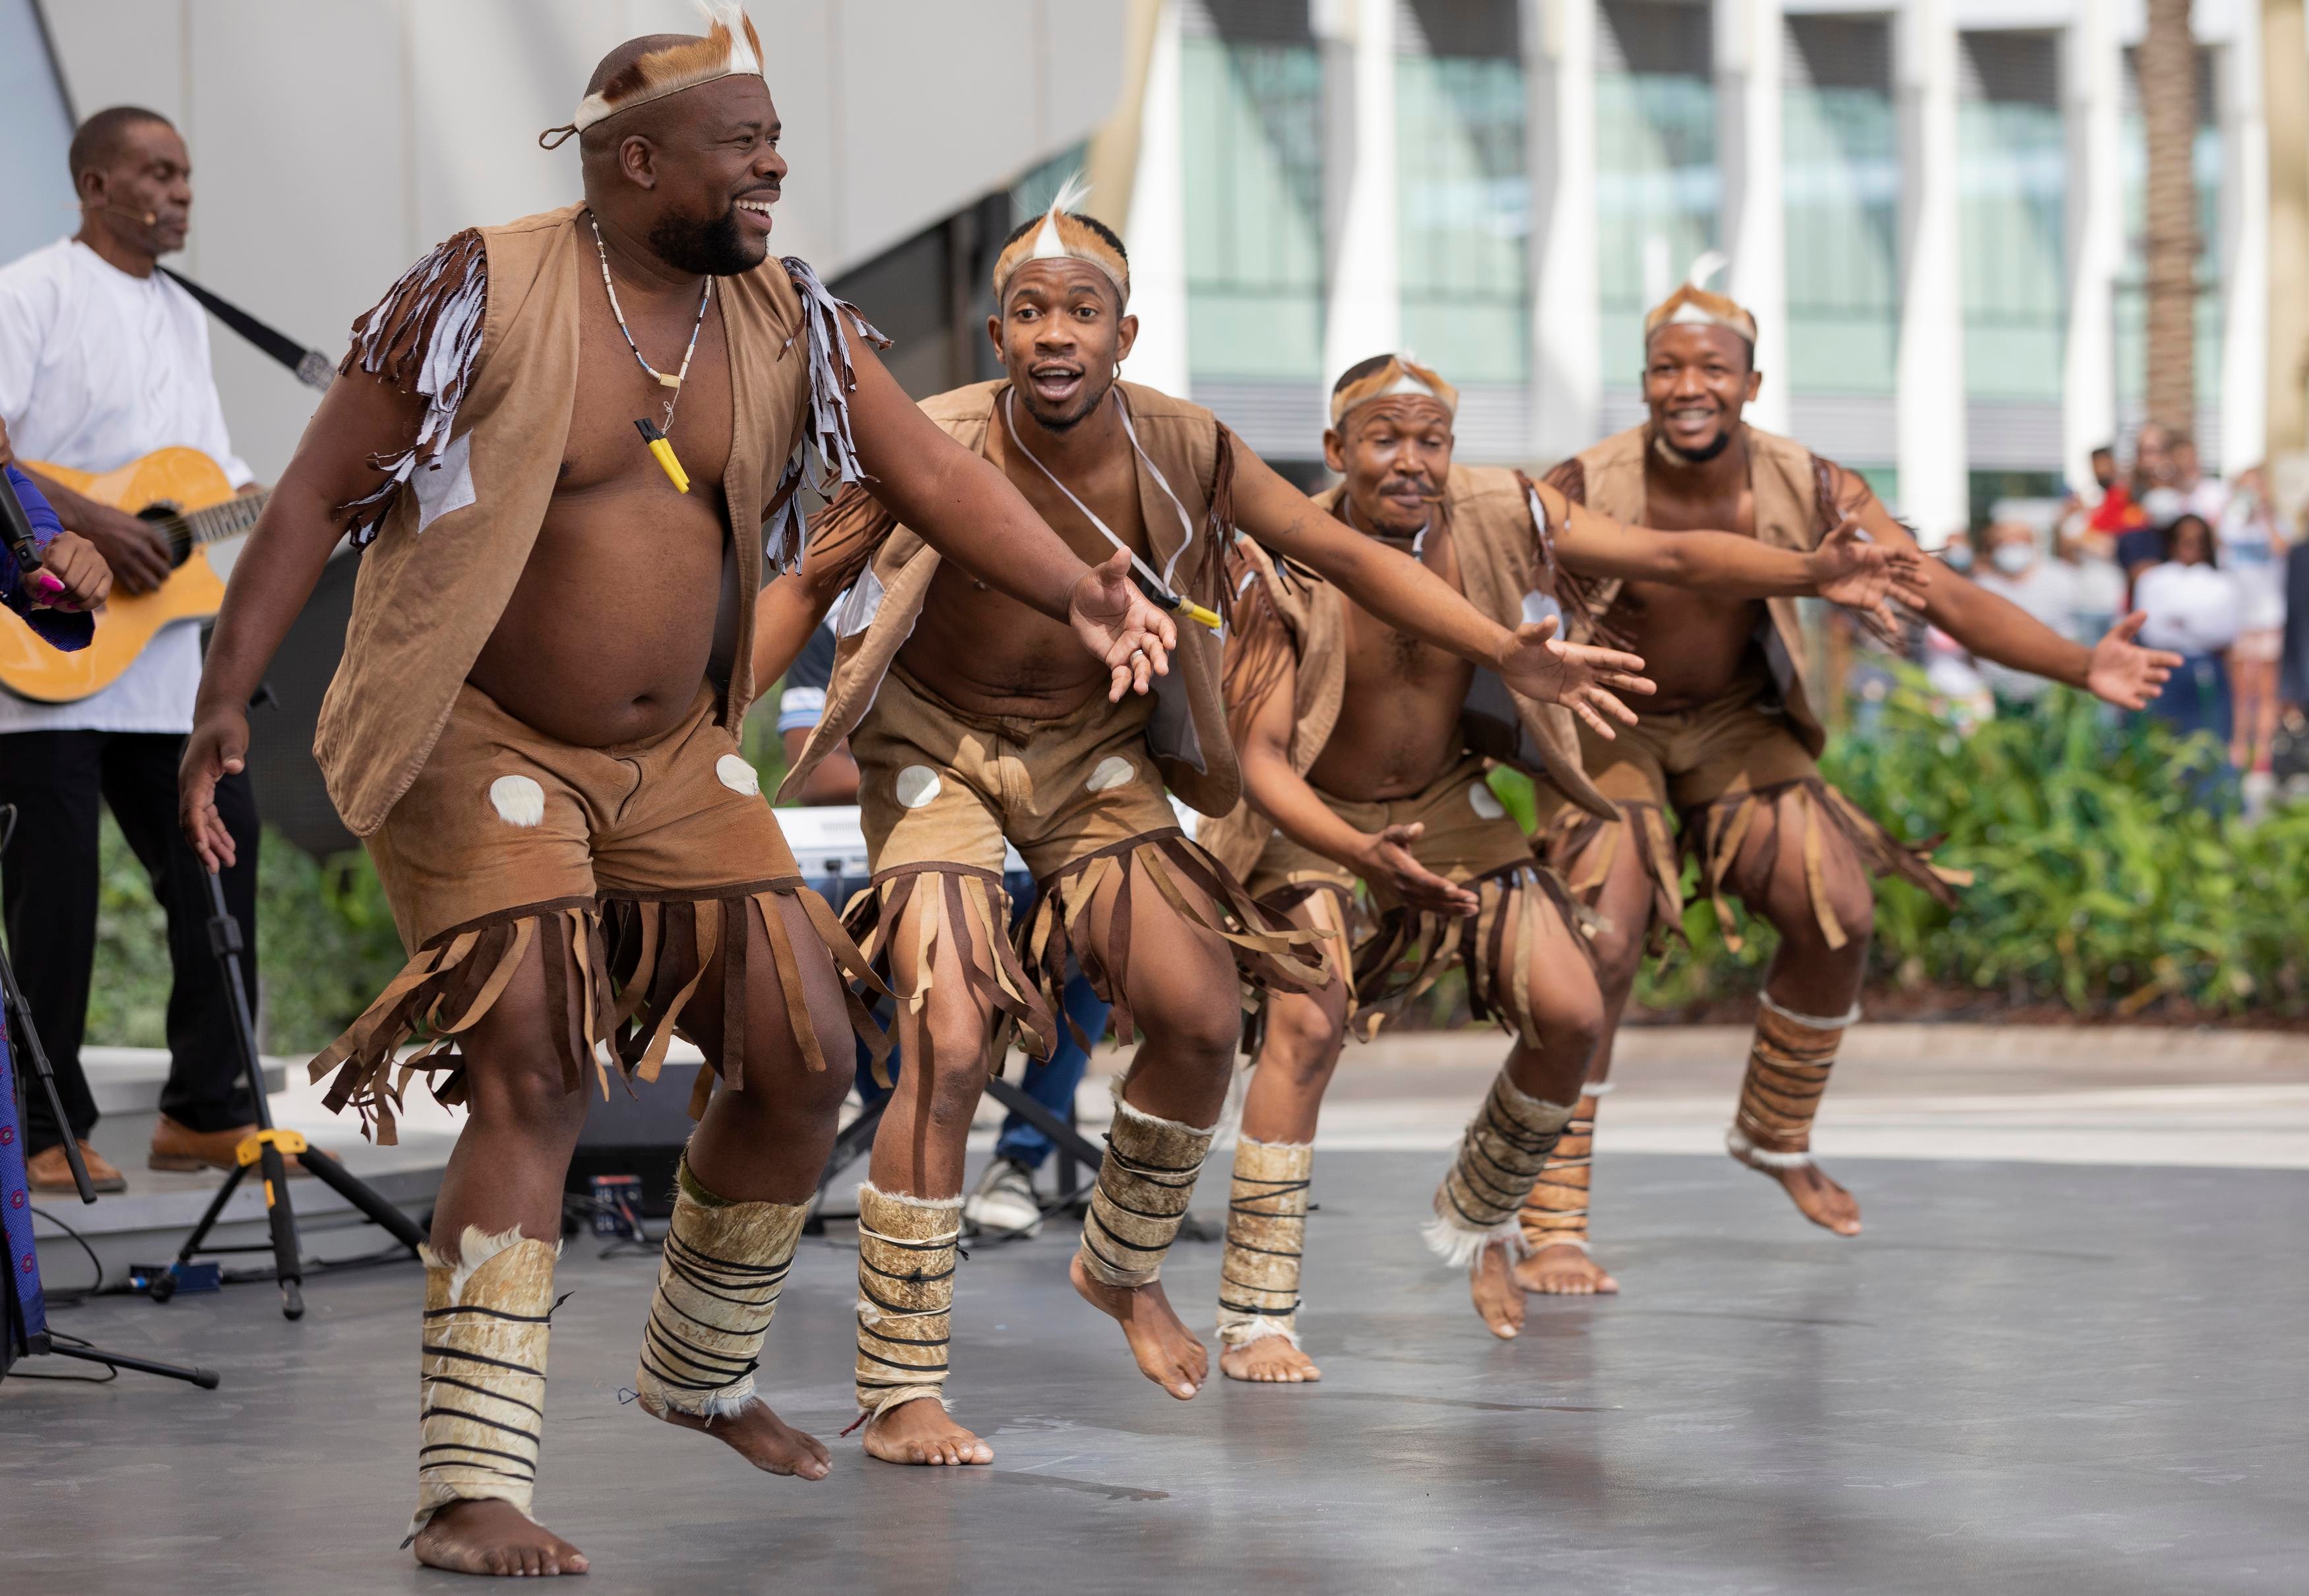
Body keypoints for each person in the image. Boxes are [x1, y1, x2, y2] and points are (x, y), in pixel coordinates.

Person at [176, 16, 1175, 1580]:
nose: (774, 166)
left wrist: (1085, 586)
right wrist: (224, 698)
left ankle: (699, 1368)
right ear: (637, 162)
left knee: (806, 1048)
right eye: (743, 144)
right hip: (476, 732)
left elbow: (930, 475)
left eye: (776, 140)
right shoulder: (485, 291)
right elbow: (309, 494)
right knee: (532, 1066)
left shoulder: (783, 313)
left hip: (674, 755)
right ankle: (467, 1487)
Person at [754, 186, 1651, 1467]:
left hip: (1090, 750)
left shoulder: (1190, 447)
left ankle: (1117, 1264)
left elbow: (1349, 557)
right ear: (998, 335)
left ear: (1123, 335)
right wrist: (699, 729)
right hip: (936, 749)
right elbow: (806, 582)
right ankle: (901, 1383)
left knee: (1197, 1013)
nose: (1054, 332)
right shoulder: (931, 436)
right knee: (948, 1039)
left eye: (1081, 311)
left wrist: (1502, 647)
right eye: (1029, 312)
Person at [1201, 354, 1922, 1370]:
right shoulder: (1279, 561)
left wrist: (1811, 572)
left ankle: (1479, 1211)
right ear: (1335, 449)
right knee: (1308, 1022)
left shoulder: (1505, 511)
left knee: (1574, 1010)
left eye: (1431, 440)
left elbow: (1672, 555)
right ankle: (1256, 1313)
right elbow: (1264, 760)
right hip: (1311, 811)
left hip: (1444, 801)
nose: (1410, 461)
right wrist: (1356, 849)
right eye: (1383, 438)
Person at [1513, 274, 2180, 1296]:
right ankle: (1551, 1214)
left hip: (1737, 718)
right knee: (1601, 937)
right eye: (1666, 367)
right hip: (1614, 715)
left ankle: (1774, 1131)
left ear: (1752, 383)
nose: (1688, 385)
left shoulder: (1815, 483)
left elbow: (1941, 592)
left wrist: (2081, 662)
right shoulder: (1583, 479)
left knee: (1838, 906)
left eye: (1712, 368)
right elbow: (1494, 587)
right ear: (1643, 383)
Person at [0, 106, 269, 1194]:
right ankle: (43, 1126)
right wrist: (100, 525)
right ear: (95, 185)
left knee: (222, 858)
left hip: (162, 673)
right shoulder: (31, 293)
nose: (181, 191)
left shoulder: (185, 315)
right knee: (55, 897)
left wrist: (283, 497)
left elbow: (205, 475)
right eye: (158, 172)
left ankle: (204, 1108)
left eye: (187, 173)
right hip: (45, 648)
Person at [776, 616, 1109, 1237]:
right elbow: (813, 770)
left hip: (1024, 864)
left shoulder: (1043, 611)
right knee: (845, 944)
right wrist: (957, 786)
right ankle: (905, 1140)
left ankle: (1019, 1159)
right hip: (897, 862)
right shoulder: (843, 619)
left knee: (1096, 928)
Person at [2134, 513, 2242, 752]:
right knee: (2162, 743)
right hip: (2163, 670)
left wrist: (2183, 623)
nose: (2190, 547)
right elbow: (2152, 632)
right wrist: (2197, 625)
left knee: (2210, 743)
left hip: (2206, 668)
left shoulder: (2222, 583)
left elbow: (2225, 632)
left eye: (2198, 541)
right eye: (2184, 540)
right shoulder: (2153, 580)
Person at [2215, 468, 2288, 786]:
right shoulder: (2230, 523)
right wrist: (2232, 508)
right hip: (2238, 618)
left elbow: (2282, 548)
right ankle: (2239, 747)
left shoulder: (2275, 524)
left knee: (2267, 690)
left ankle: (2263, 752)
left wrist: (2266, 514)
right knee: (2241, 689)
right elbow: (2213, 543)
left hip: (2270, 616)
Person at [1972, 513, 2082, 713]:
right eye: (2003, 543)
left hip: (2052, 689)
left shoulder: (2062, 580)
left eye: (2017, 541)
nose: (2010, 548)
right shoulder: (1983, 586)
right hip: (1998, 691)